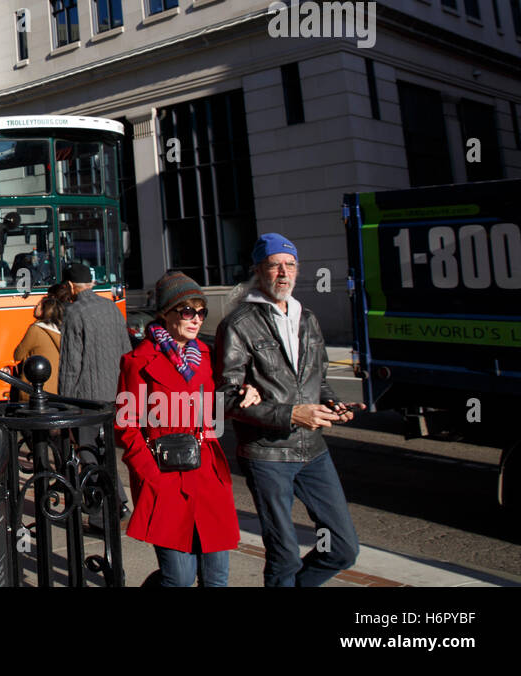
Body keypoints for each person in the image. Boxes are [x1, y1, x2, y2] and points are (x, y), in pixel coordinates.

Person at [217, 233, 362, 587]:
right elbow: (225, 397)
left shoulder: (307, 318)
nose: (283, 272)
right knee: (284, 555)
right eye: (274, 264)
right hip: (267, 454)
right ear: (258, 270)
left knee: (343, 547)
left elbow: (318, 380)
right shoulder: (238, 324)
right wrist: (291, 414)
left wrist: (333, 404)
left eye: (290, 264)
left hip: (313, 450)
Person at [117, 273, 260, 586]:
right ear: (165, 314)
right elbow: (126, 428)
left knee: (216, 577)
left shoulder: (206, 357)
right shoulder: (137, 361)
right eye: (187, 311)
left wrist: (243, 392)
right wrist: (150, 476)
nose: (195, 319)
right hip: (164, 477)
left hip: (207, 474)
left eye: (200, 312)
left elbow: (217, 405)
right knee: (178, 578)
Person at [58, 262, 132, 527]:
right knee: (106, 451)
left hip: (86, 397)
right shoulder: (111, 307)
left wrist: (64, 404)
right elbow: (127, 352)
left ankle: (104, 512)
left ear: (69, 286)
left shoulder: (74, 312)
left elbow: (70, 364)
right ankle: (119, 502)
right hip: (114, 394)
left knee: (88, 453)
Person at [11, 283, 73, 393]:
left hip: (35, 388)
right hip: (57, 388)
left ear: (45, 310)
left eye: (39, 305)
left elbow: (18, 354)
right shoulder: (61, 329)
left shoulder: (36, 330)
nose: (35, 307)